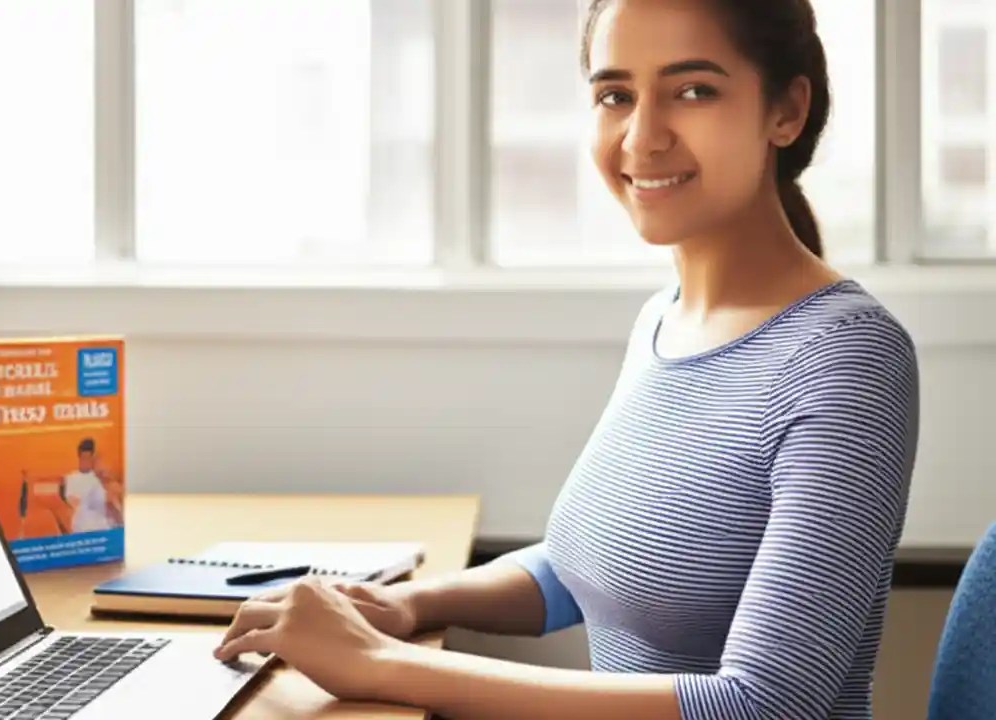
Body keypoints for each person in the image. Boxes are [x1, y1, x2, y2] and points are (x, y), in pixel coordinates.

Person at [212, 1, 920, 718]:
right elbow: (583, 569)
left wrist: (381, 667)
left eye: (693, 90)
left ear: (786, 110)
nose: (642, 137)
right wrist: (401, 605)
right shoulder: (666, 320)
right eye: (615, 95)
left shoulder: (846, 359)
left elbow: (764, 704)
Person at [59, 437, 121, 533]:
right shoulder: (70, 478)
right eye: (83, 458)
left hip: (103, 528)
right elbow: (73, 502)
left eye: (88, 458)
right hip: (82, 528)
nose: (85, 461)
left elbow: (112, 502)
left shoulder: (102, 478)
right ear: (79, 456)